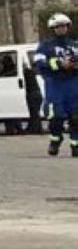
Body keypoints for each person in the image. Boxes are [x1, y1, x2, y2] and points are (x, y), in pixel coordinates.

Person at [35, 13, 78, 157]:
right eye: (58, 27)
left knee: (76, 117)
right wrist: (59, 64)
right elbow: (39, 63)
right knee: (56, 117)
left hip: (73, 85)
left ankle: (75, 145)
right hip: (55, 85)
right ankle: (55, 139)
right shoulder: (45, 46)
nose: (61, 29)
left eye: (64, 26)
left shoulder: (74, 45)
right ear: (53, 29)